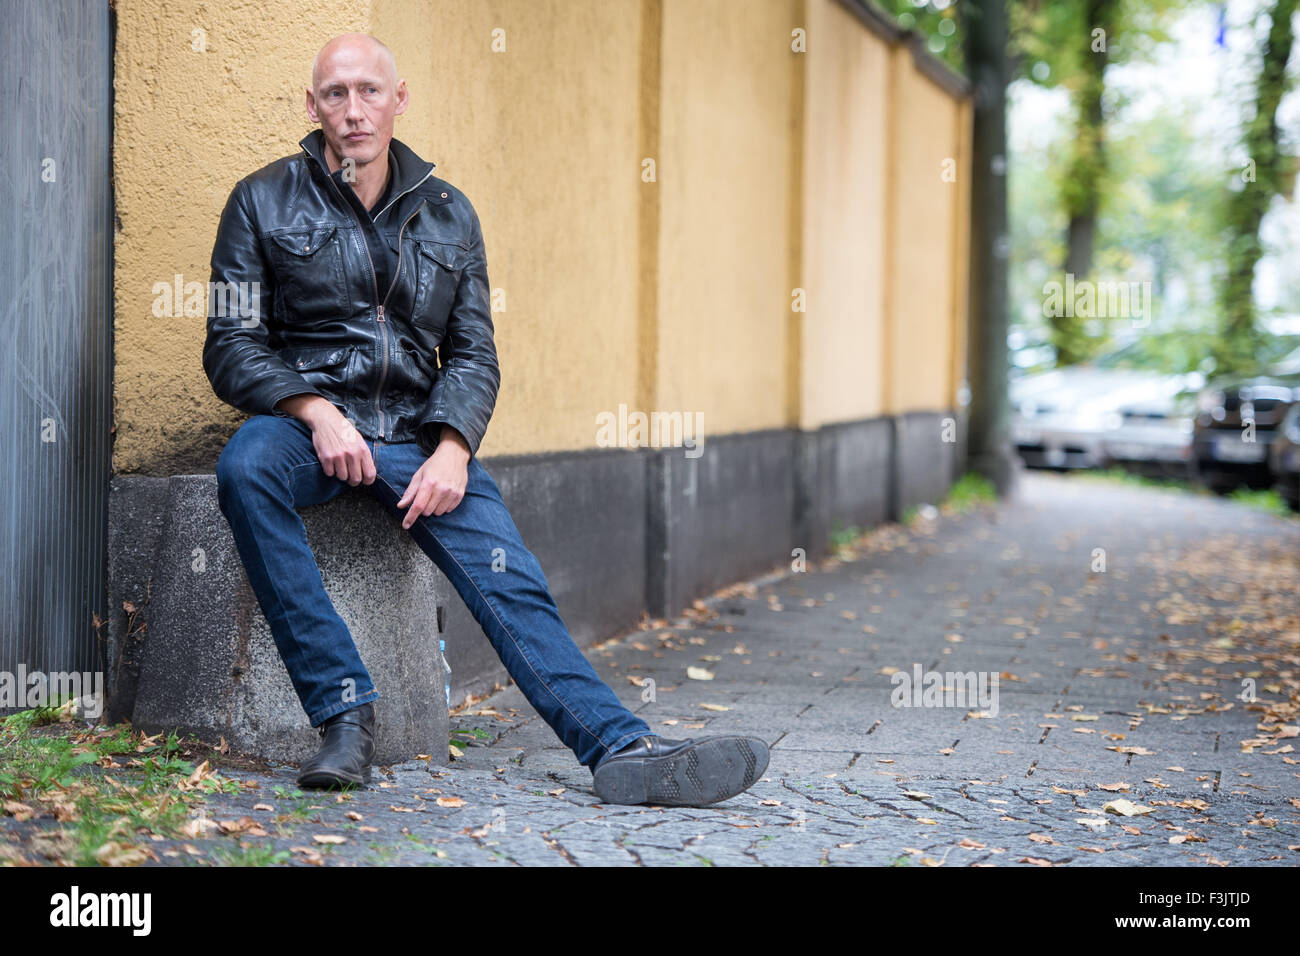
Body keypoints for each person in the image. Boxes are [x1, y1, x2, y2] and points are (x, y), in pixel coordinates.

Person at [202, 32, 769, 807]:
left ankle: (620, 747)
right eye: (336, 93)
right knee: (245, 468)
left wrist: (455, 447)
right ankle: (344, 713)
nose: (354, 109)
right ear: (312, 106)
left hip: (414, 433)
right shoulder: (260, 199)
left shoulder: (448, 213)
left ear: (399, 101)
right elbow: (230, 345)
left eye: (371, 91)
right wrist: (314, 409)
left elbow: (473, 354)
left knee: (514, 578)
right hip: (304, 428)